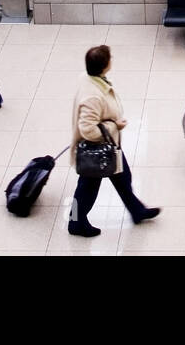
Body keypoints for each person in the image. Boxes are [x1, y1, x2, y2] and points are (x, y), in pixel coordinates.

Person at [66, 44, 159, 237]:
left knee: (123, 177)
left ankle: (137, 210)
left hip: (109, 146)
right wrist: (114, 126)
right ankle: (75, 222)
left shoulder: (90, 78)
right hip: (96, 150)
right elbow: (88, 129)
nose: (112, 60)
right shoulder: (93, 96)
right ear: (104, 65)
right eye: (110, 58)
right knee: (86, 189)